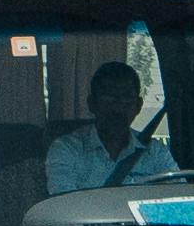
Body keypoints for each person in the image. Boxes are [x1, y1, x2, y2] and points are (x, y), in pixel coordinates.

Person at [46, 57, 179, 195]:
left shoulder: (155, 152)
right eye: (109, 95)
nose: (118, 105)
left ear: (138, 105)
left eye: (126, 96)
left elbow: (180, 198)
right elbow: (64, 205)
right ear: (92, 103)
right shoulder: (67, 149)